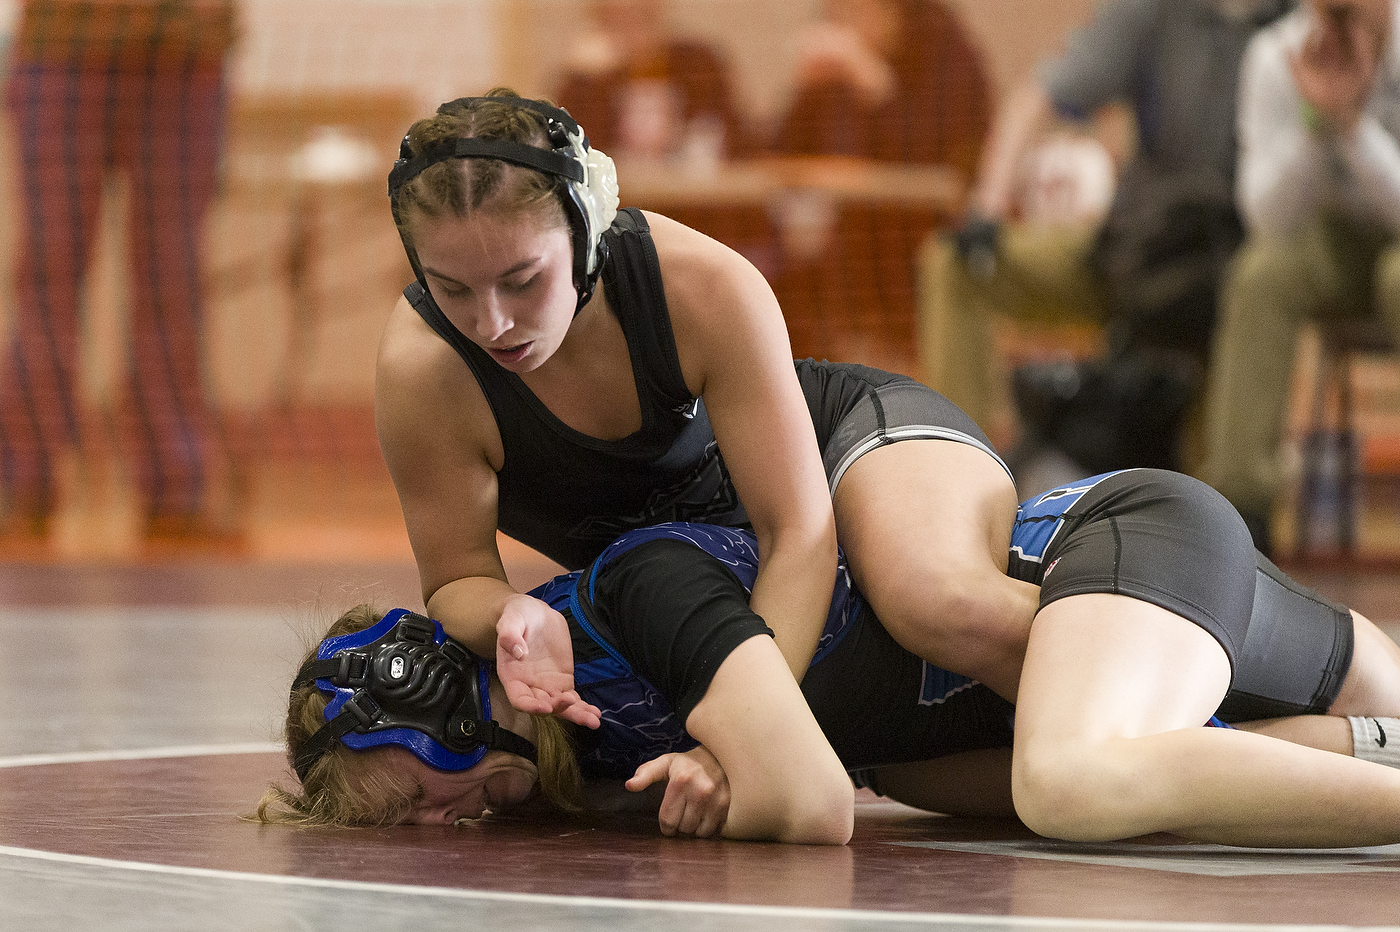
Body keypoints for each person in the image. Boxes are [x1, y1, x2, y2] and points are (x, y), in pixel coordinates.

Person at [259, 468, 1400, 847]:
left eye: (410, 794)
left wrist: (738, 751)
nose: (431, 826)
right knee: (1020, 784)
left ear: (445, 713)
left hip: (1099, 553)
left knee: (1068, 779)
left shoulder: (631, 594)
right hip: (1095, 639)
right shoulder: (580, 770)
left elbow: (808, 798)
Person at [376, 89, 1040, 719]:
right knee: (947, 767)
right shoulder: (426, 373)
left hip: (843, 449)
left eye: (522, 280)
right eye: (450, 289)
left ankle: (1125, 637)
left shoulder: (698, 285)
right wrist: (510, 614)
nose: (491, 322)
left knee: (935, 601)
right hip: (738, 580)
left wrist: (748, 728)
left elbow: (797, 532)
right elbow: (456, 580)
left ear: (584, 227)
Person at [919, 0, 1291, 468]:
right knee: (955, 264)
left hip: (1234, 271)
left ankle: (1236, 515)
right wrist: (987, 209)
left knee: (1257, 289)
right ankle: (957, 478)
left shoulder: (1303, 27)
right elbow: (1039, 97)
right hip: (1133, 256)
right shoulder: (1153, 12)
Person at [0, 0, 237, 545]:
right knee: (47, 273)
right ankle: (24, 483)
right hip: (60, 51)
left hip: (185, 61)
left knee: (171, 279)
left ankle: (177, 492)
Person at [1197, 0, 1400, 553]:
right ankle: (1242, 517)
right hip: (1325, 241)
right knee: (1261, 275)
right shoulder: (1276, 56)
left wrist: (1354, 128)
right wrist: (1318, 122)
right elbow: (1264, 217)